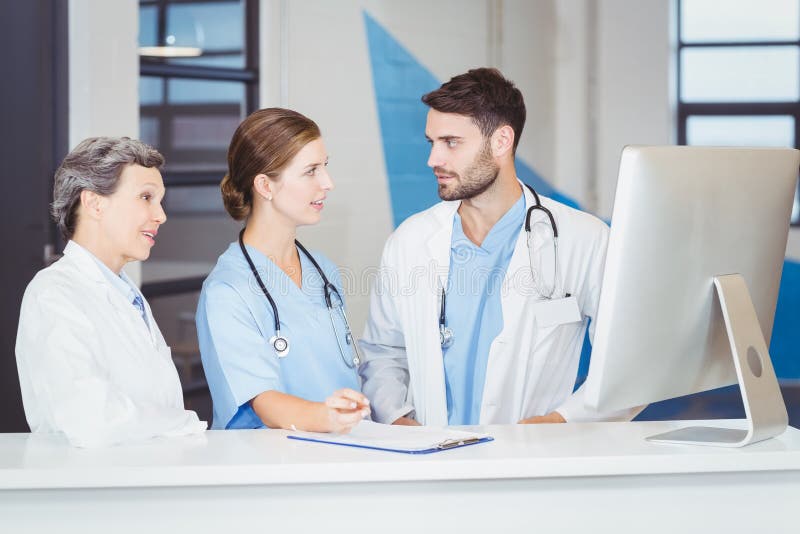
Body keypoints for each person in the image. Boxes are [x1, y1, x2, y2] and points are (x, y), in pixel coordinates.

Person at [359, 68, 642, 426]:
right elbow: (383, 353)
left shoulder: (582, 237)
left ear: (501, 141)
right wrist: (399, 421)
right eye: (432, 143)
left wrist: (561, 422)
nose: (433, 160)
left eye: (451, 142)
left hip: (533, 460)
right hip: (432, 460)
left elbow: (628, 360)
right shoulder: (410, 241)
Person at [15, 137, 207, 447]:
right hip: (92, 486)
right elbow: (90, 418)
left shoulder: (126, 293)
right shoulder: (53, 294)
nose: (161, 215)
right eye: (145, 197)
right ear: (94, 203)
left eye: (159, 200)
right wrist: (183, 423)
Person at [196, 108, 369, 432]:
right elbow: (264, 402)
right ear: (265, 185)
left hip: (341, 455)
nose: (328, 183)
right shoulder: (228, 291)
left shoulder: (324, 271)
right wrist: (328, 417)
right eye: (311, 171)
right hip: (270, 470)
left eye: (325, 167)